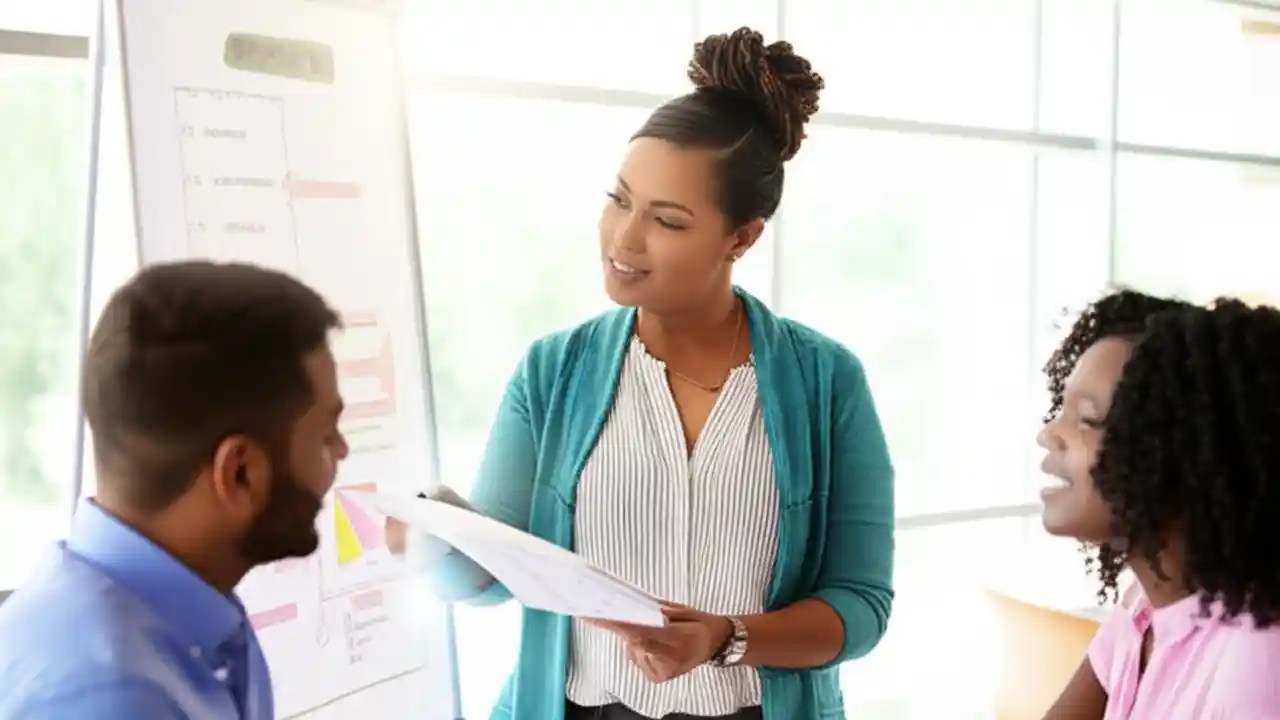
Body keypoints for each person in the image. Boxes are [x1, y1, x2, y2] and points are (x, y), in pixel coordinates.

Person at [416, 27, 895, 720]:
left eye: (667, 221)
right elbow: (488, 580)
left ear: (743, 237)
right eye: (619, 199)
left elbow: (861, 605)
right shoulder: (552, 371)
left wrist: (729, 639)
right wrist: (433, 533)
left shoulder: (827, 383)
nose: (623, 238)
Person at [0, 261, 349, 719]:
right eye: (327, 434)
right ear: (240, 472)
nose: (341, 451)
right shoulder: (108, 697)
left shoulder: (200, 623)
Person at [1036, 289, 1280, 719]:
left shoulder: (1257, 657)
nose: (1049, 434)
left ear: (1188, 454)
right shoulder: (1143, 610)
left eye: (1088, 420)